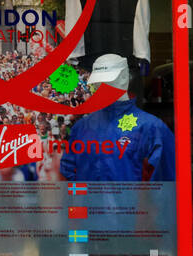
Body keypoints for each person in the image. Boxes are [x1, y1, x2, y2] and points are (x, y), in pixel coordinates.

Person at [59, 54, 175, 182]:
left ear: (124, 78)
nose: (101, 88)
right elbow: (67, 170)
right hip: (91, 201)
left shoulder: (151, 128)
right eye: (98, 83)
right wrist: (83, 198)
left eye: (108, 82)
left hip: (131, 201)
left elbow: (167, 178)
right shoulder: (82, 128)